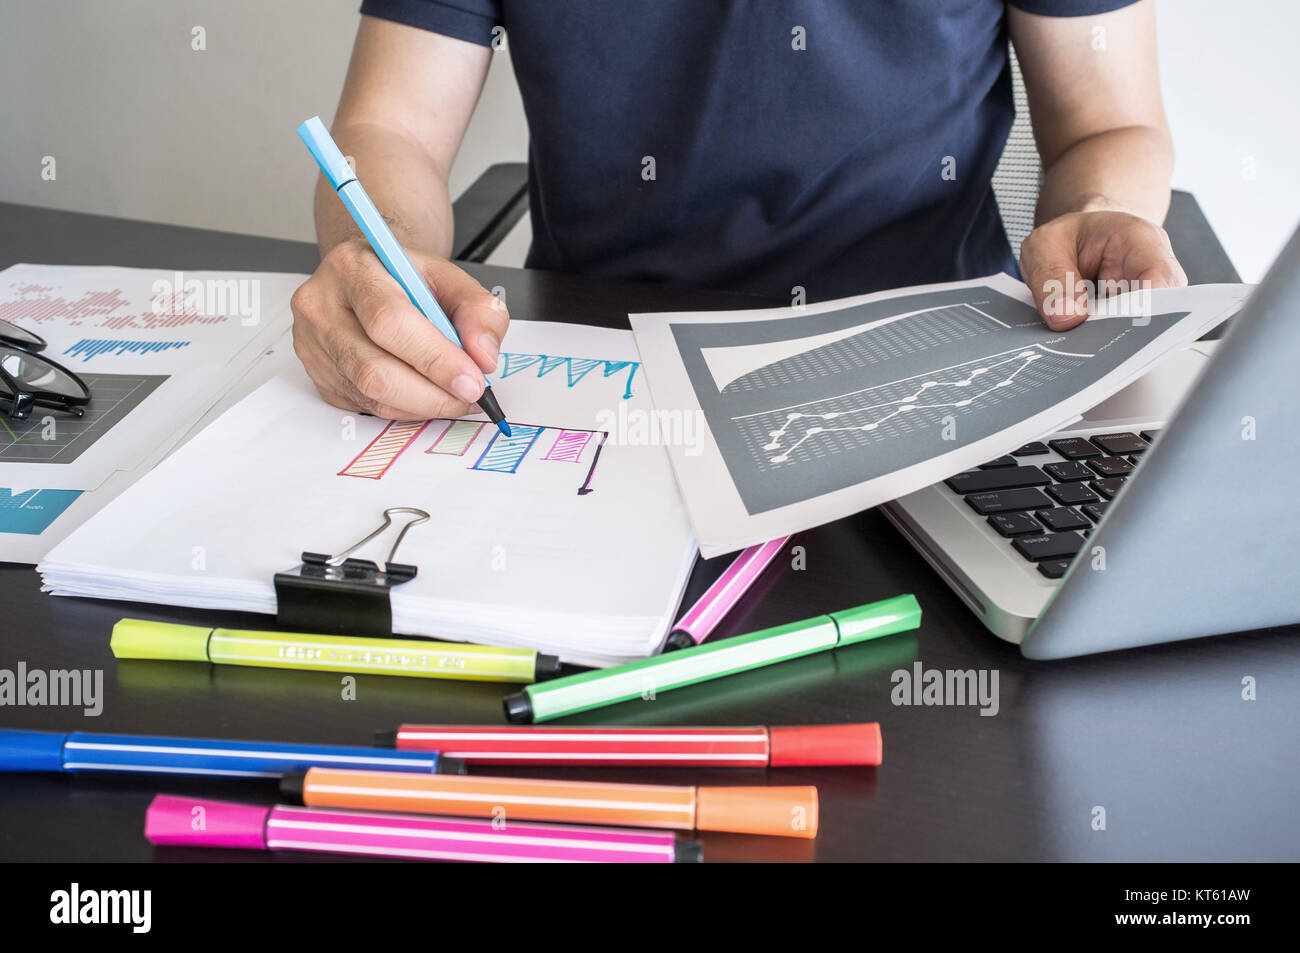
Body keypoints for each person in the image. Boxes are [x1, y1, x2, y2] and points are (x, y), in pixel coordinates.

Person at [291, 0, 1187, 422]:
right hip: (603, 372)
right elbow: (389, 127)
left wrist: (1105, 210)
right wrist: (384, 267)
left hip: (939, 369)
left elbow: (1110, 124)